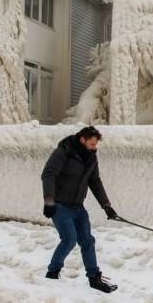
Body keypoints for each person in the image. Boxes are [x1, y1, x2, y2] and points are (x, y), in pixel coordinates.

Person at [40, 125, 119, 293]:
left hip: (78, 207)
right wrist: (49, 201)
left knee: (87, 241)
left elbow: (95, 182)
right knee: (69, 239)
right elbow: (48, 174)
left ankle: (94, 278)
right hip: (60, 205)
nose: (94, 147)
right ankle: (52, 272)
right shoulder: (64, 152)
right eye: (92, 144)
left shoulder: (91, 158)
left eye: (96, 144)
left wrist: (107, 206)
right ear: (82, 139)